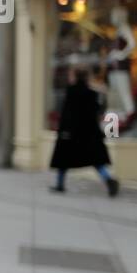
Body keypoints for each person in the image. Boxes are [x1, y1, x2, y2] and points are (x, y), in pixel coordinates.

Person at [50, 68, 119, 197]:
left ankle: (60, 185)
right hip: (89, 134)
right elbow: (98, 111)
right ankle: (108, 179)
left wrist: (62, 130)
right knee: (96, 161)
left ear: (75, 76)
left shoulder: (71, 92)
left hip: (71, 133)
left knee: (63, 160)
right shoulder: (92, 93)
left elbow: (66, 113)